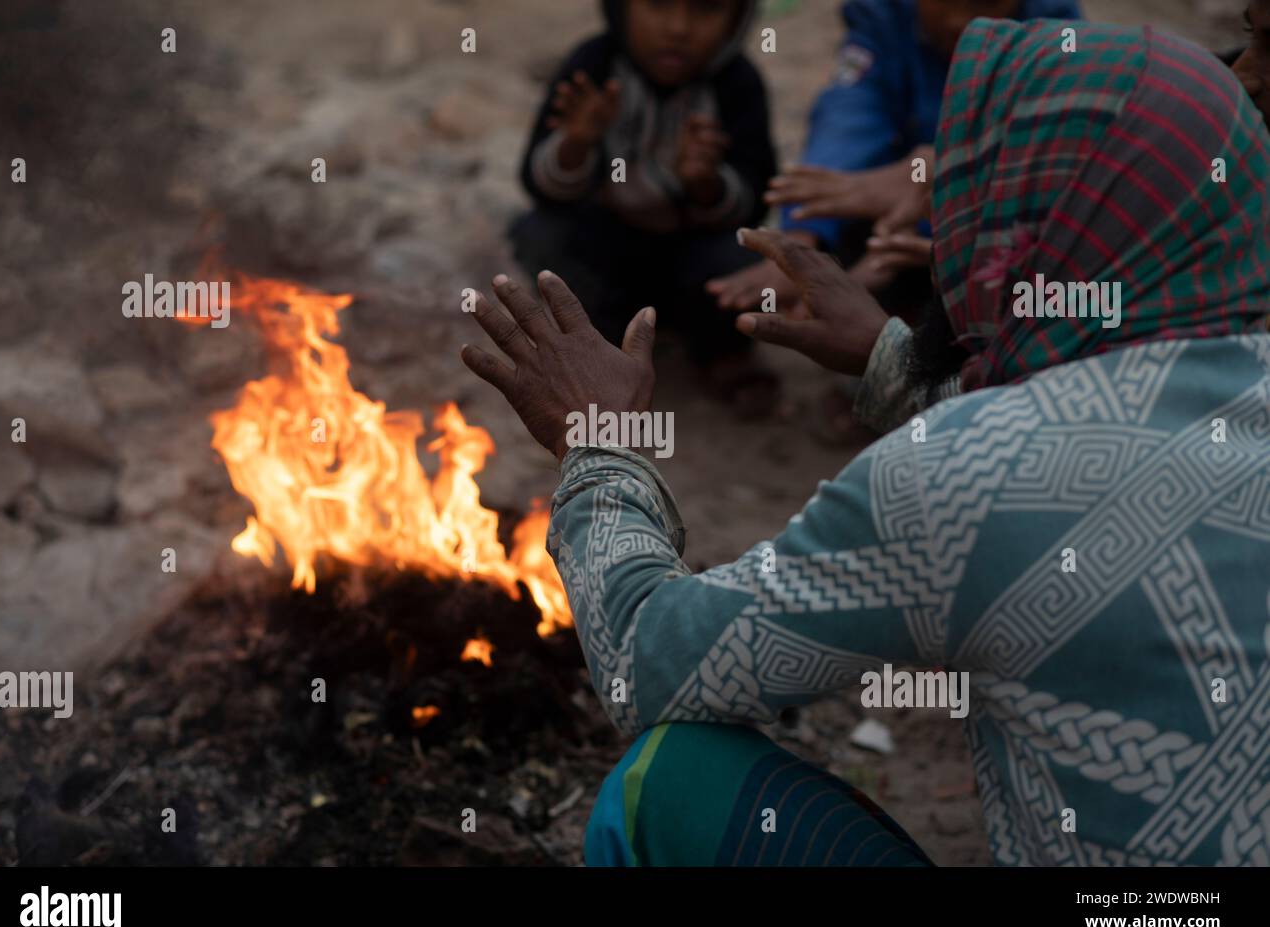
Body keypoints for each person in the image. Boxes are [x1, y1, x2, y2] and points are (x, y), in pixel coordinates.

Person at [461, 17, 1270, 865]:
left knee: (665, 781)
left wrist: (600, 442)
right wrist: (898, 363)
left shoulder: (961, 476)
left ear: (1026, 218)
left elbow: (644, 663)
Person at [707, 0, 1080, 313]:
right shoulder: (885, 16)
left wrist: (948, 180)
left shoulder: (1057, 40)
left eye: (987, 3)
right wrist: (806, 228)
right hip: (901, 220)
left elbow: (1061, 150)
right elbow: (852, 109)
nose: (959, 21)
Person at [509, 0, 779, 417]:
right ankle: (599, 352)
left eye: (706, 10)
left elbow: (754, 200)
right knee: (540, 235)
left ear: (738, 19)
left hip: (689, 252)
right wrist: (576, 144)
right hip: (606, 245)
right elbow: (540, 185)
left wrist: (705, 184)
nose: (678, 28)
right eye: (656, 4)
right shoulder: (594, 65)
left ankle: (722, 353)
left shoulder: (736, 83)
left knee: (747, 258)